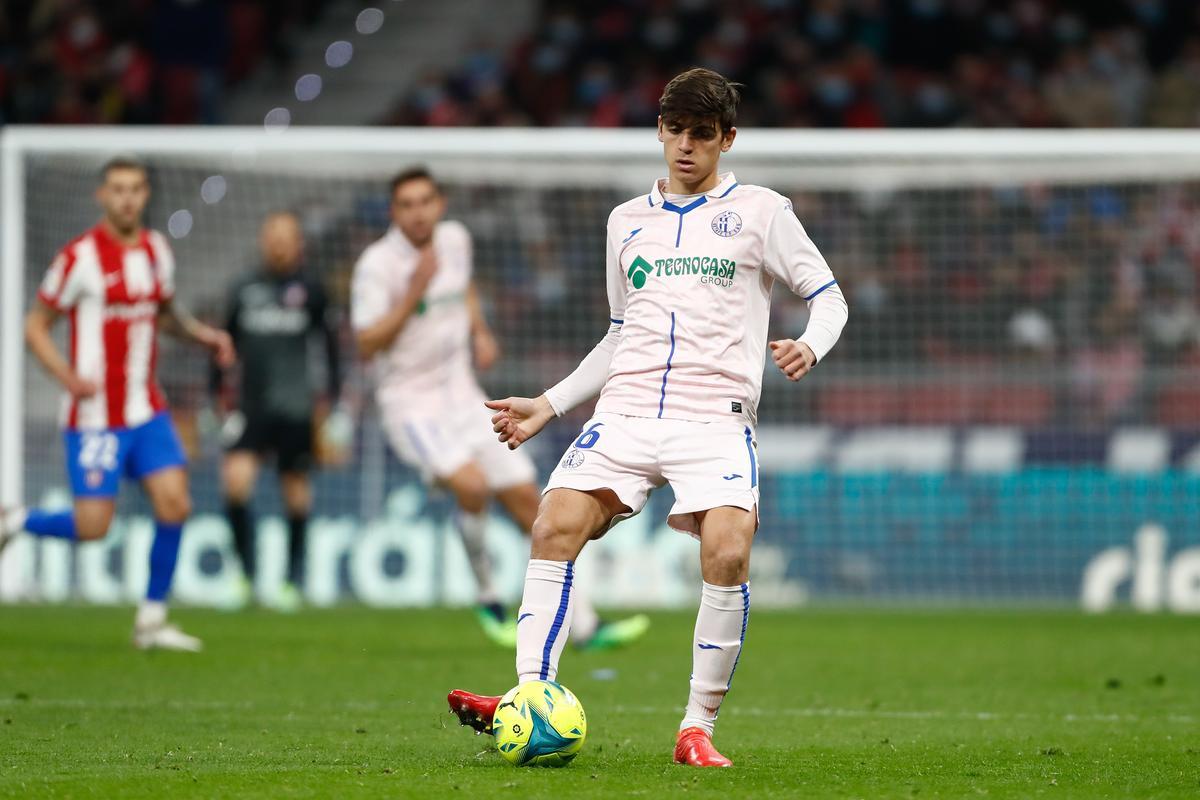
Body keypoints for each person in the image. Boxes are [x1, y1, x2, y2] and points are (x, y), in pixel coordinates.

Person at [446, 68, 848, 767]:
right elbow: (617, 332)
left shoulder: (762, 211)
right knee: (551, 525)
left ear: (727, 138)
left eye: (702, 135)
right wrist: (549, 403)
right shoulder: (625, 221)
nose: (685, 147)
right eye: (675, 131)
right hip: (626, 410)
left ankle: (696, 728)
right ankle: (529, 695)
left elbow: (831, 298)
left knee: (727, 549)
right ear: (659, 131)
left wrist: (809, 345)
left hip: (713, 418)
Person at [350, 167, 649, 650]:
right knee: (471, 484)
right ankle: (487, 596)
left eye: (425, 201)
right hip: (411, 405)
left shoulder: (454, 239)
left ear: (440, 204)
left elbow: (462, 286)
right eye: (406, 204)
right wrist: (413, 292)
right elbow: (366, 344)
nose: (418, 212)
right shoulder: (376, 266)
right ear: (393, 211)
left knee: (533, 504)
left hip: (462, 393)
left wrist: (480, 329)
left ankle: (586, 624)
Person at [0, 156, 235, 651]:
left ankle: (151, 621)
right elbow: (34, 325)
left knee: (175, 503)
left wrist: (203, 337)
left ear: (145, 194)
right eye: (117, 189)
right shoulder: (79, 257)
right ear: (101, 196)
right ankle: (15, 521)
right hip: (94, 417)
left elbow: (164, 314)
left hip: (146, 407)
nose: (126, 198)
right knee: (93, 527)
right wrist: (66, 376)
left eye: (135, 189)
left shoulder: (156, 250)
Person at [209, 211, 345, 611]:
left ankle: (289, 582)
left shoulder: (313, 290)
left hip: (296, 408)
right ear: (263, 242)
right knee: (235, 484)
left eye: (287, 237)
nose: (279, 244)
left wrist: (333, 405)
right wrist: (215, 397)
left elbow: (331, 349)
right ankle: (243, 576)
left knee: (296, 497)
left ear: (298, 242)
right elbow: (223, 347)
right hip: (250, 407)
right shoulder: (244, 289)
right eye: (273, 237)